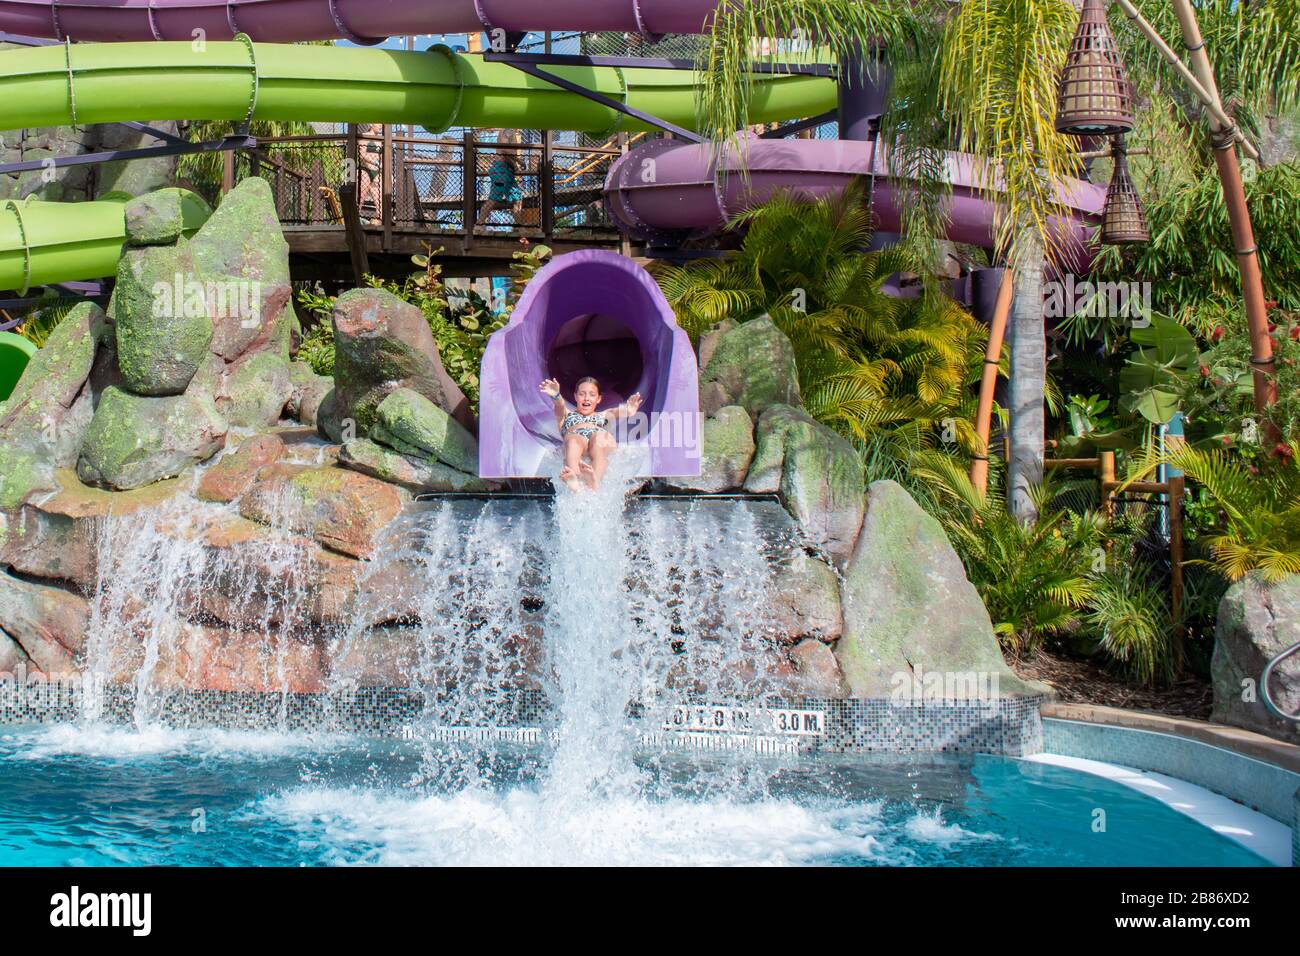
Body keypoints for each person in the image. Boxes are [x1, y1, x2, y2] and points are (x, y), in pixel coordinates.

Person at [540, 376, 642, 491]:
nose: (586, 398)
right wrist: (556, 395)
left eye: (592, 395)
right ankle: (575, 480)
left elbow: (618, 411)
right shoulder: (566, 415)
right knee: (573, 442)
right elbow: (560, 405)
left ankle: (594, 481)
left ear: (599, 399)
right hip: (575, 438)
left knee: (598, 442)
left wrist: (629, 410)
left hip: (599, 438)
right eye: (582, 394)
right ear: (575, 396)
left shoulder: (603, 415)